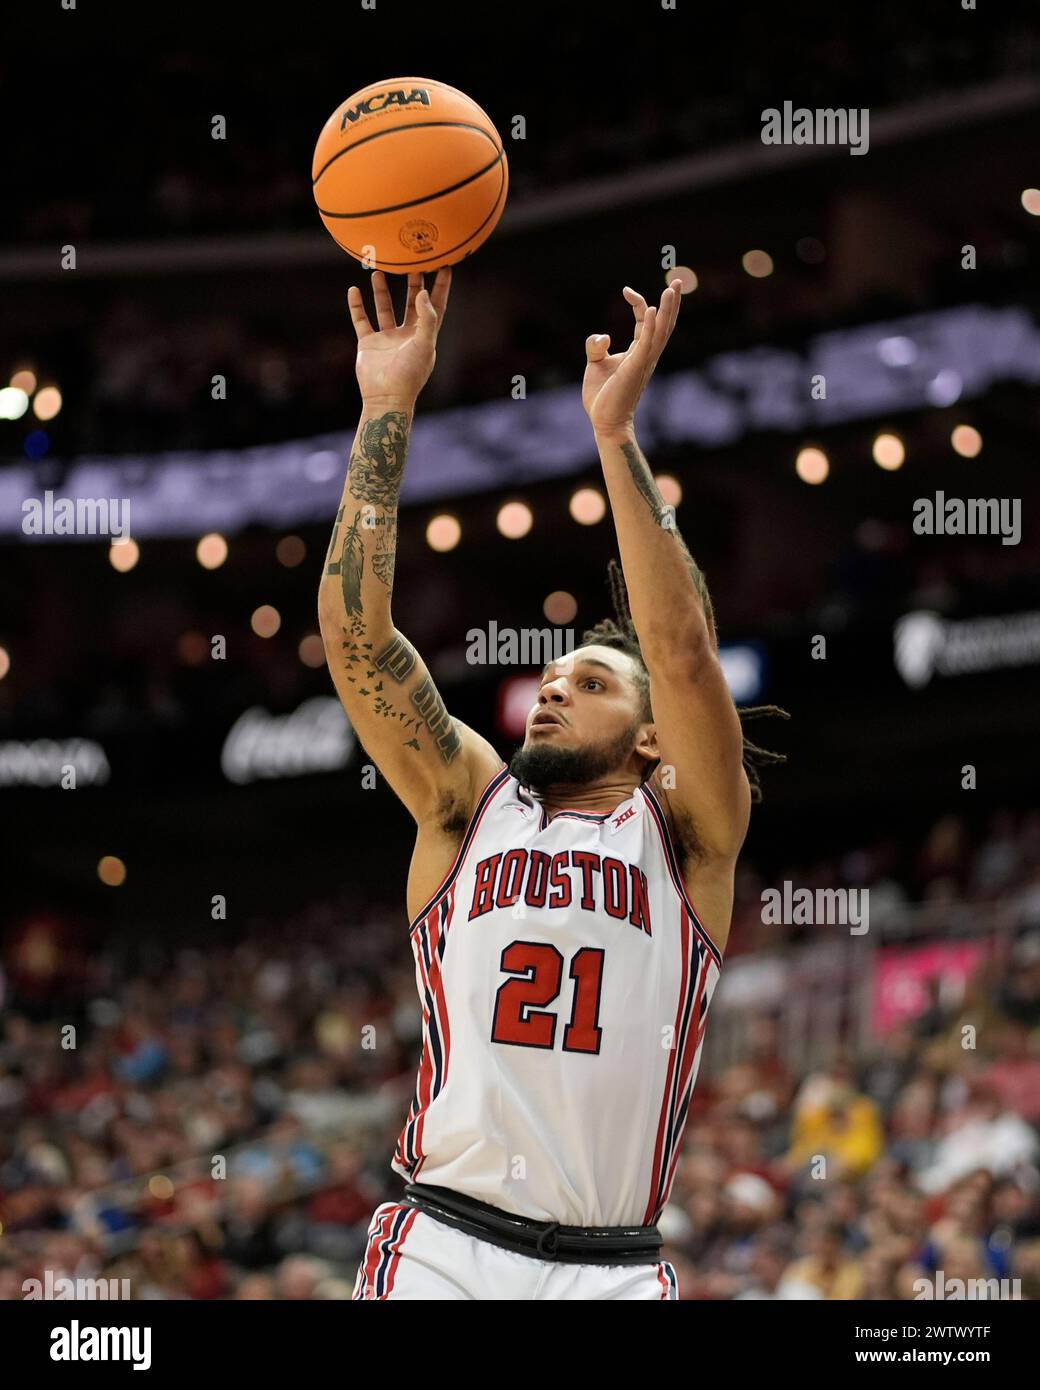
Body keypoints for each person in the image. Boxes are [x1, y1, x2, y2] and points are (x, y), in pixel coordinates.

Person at [319, 268, 784, 1300]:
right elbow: (357, 641)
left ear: (654, 736)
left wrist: (615, 440)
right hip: (442, 1238)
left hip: (610, 1268)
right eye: (551, 675)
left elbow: (681, 647)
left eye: (590, 681)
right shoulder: (465, 803)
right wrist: (385, 409)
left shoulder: (688, 835)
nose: (552, 689)